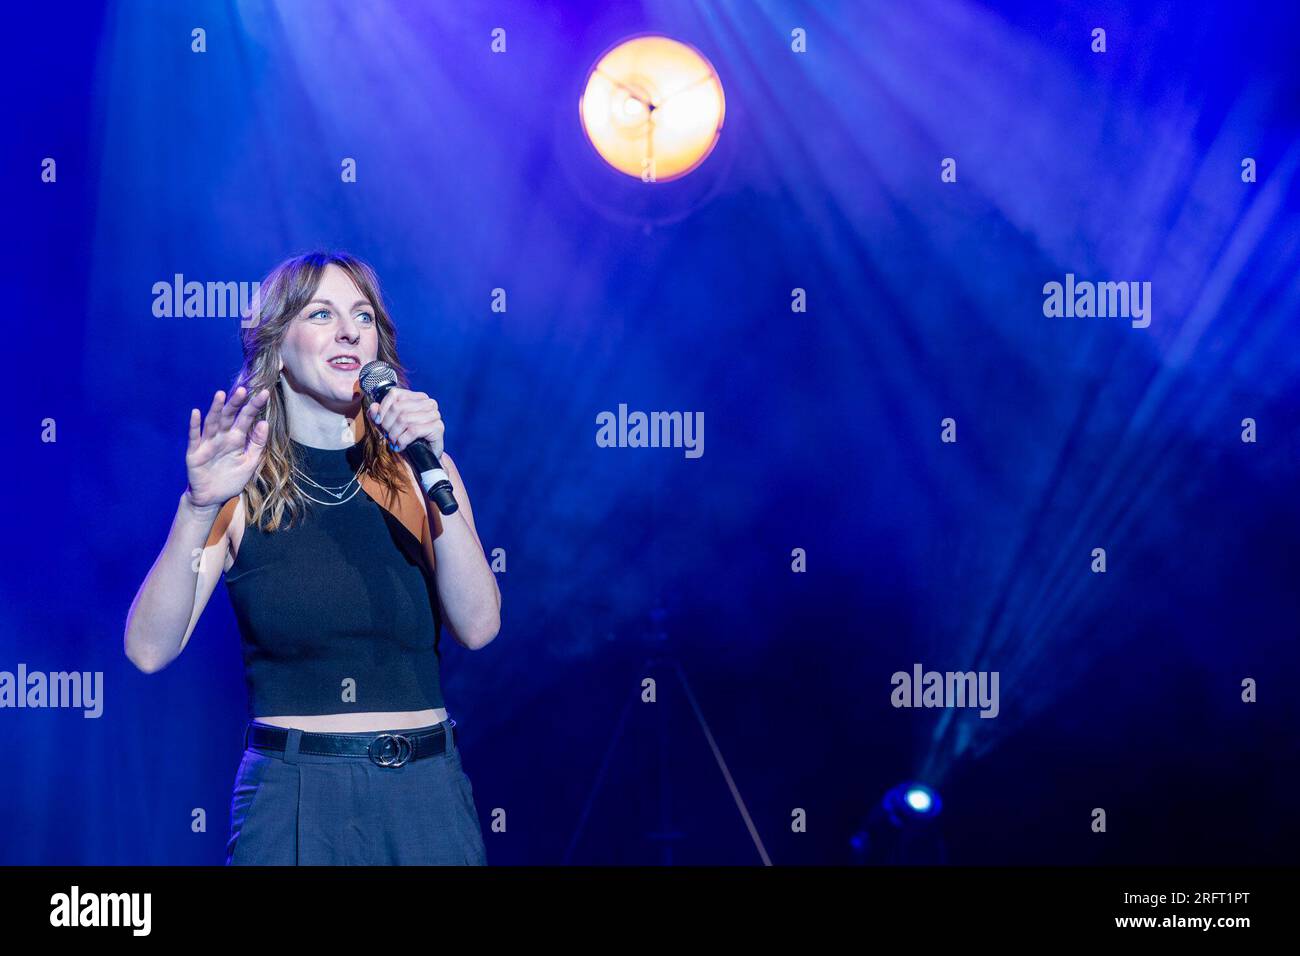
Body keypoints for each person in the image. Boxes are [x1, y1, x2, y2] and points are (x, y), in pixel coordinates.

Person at [124, 251, 500, 864]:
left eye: (364, 316)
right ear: (276, 345)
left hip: (425, 796)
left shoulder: (419, 474)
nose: (350, 330)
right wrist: (197, 509)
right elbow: (148, 650)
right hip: (295, 797)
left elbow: (480, 626)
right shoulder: (237, 489)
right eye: (321, 313)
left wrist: (433, 464)